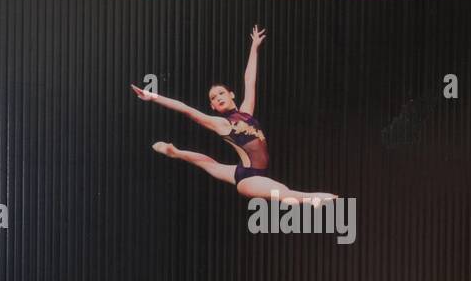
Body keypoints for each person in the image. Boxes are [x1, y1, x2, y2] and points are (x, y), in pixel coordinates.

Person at [131, 25, 337, 204]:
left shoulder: (247, 112)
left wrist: (254, 48)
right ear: (213, 106)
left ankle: (174, 152)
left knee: (208, 163)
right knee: (283, 192)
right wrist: (153, 96)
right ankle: (312, 199)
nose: (218, 97)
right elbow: (185, 108)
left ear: (231, 95)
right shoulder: (221, 123)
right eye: (213, 98)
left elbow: (249, 80)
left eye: (221, 93)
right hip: (248, 179)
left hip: (242, 171)